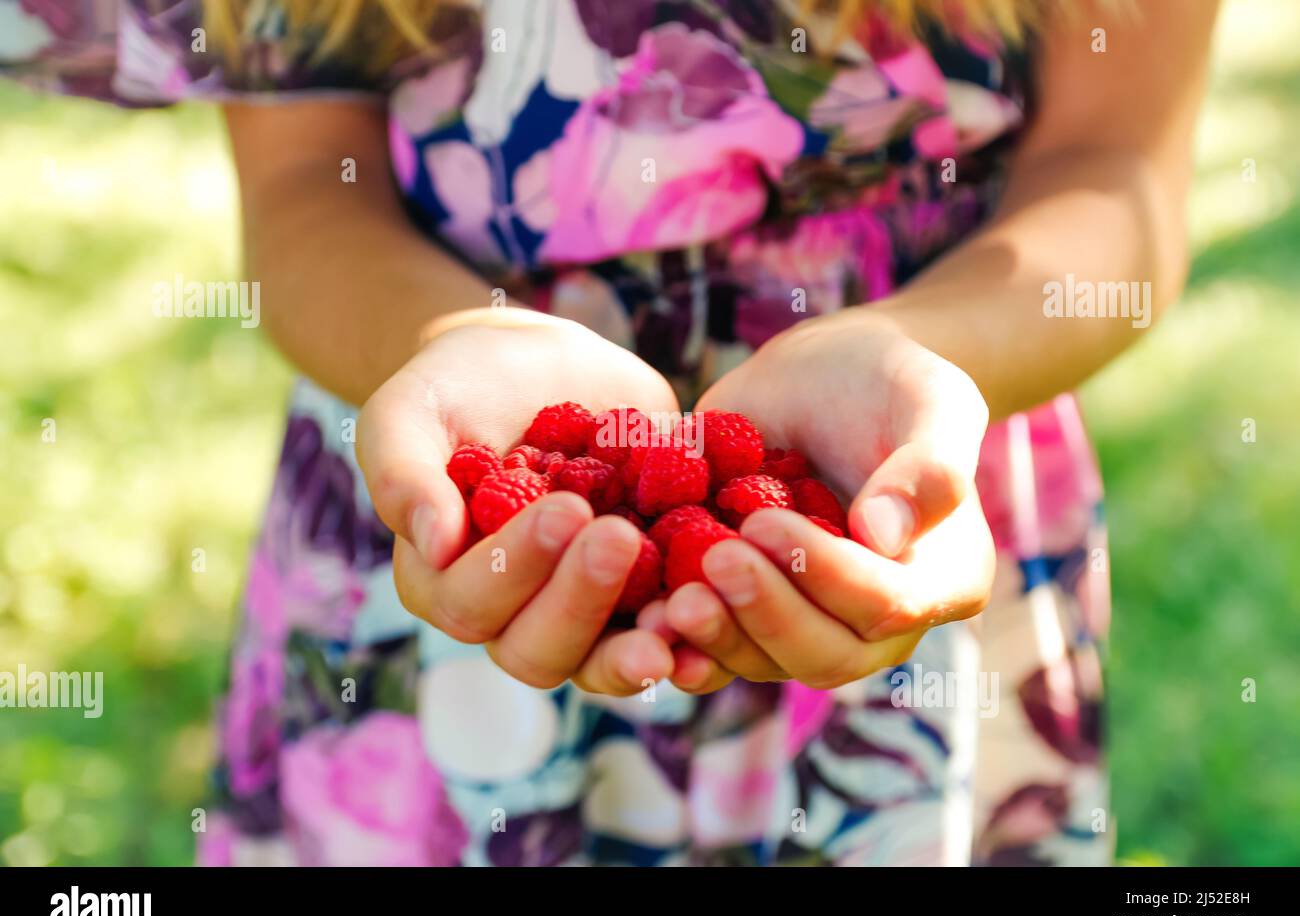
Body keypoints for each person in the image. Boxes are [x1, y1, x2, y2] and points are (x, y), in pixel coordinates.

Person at [1, 0, 1218, 866]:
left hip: (895, 485)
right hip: (438, 517)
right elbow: (303, 190)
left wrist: (924, 351)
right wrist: (448, 341)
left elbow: (1115, 167)